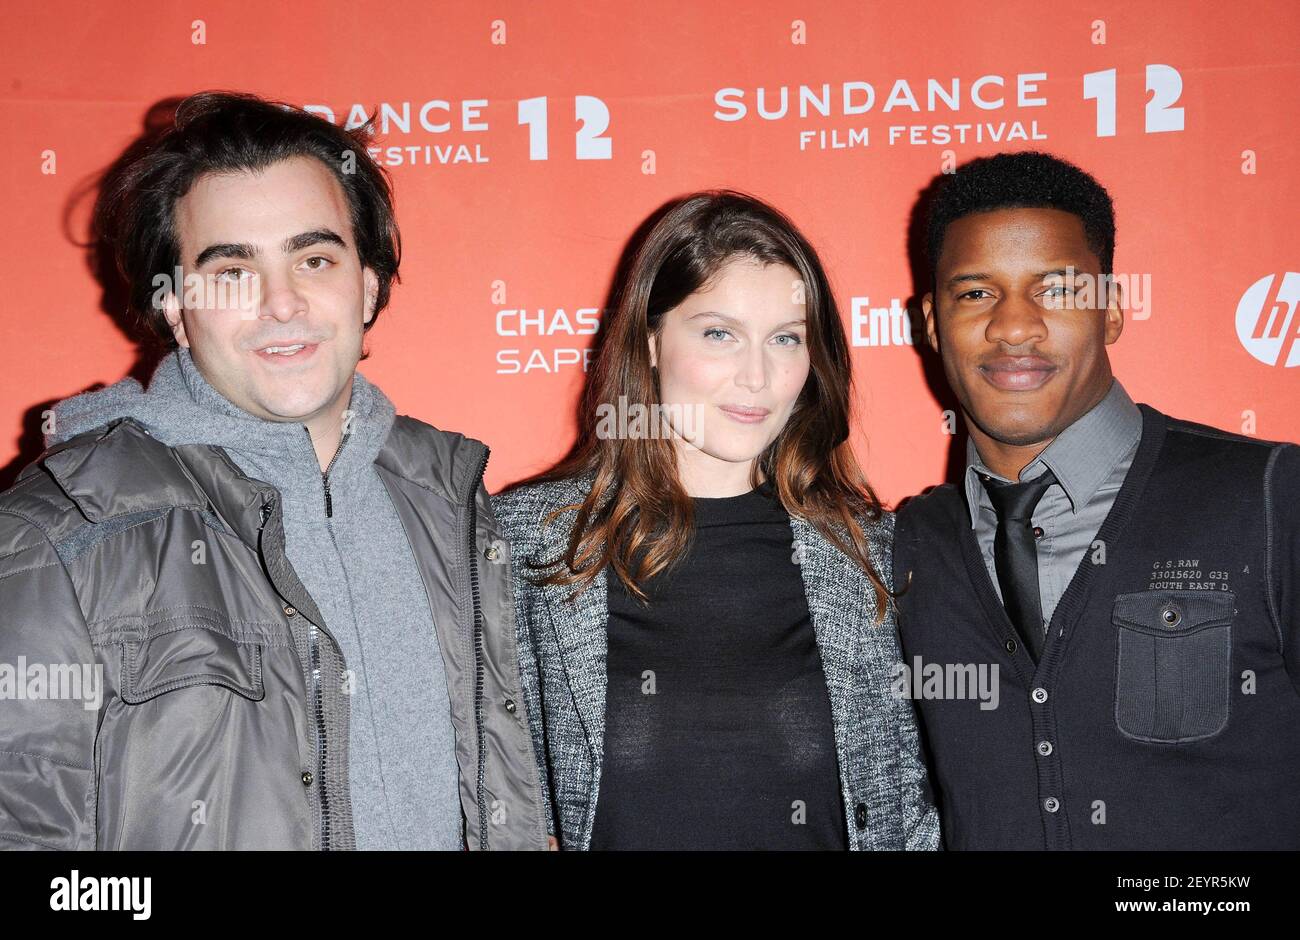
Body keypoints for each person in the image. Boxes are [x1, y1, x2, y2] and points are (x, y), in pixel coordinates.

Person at [0, 91, 547, 850]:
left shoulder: (450, 501)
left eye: (314, 258)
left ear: (367, 284)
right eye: (232, 271)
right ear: (174, 309)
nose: (281, 303)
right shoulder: (58, 536)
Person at [493, 191, 940, 850]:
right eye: (719, 334)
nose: (757, 376)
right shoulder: (530, 546)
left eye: (785, 339)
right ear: (649, 341)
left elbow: (911, 816)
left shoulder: (869, 553)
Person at [896, 150, 1300, 849]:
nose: (1014, 326)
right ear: (931, 323)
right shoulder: (904, 546)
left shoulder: (1269, 498)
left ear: (1111, 309)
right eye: (975, 293)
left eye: (1056, 290)